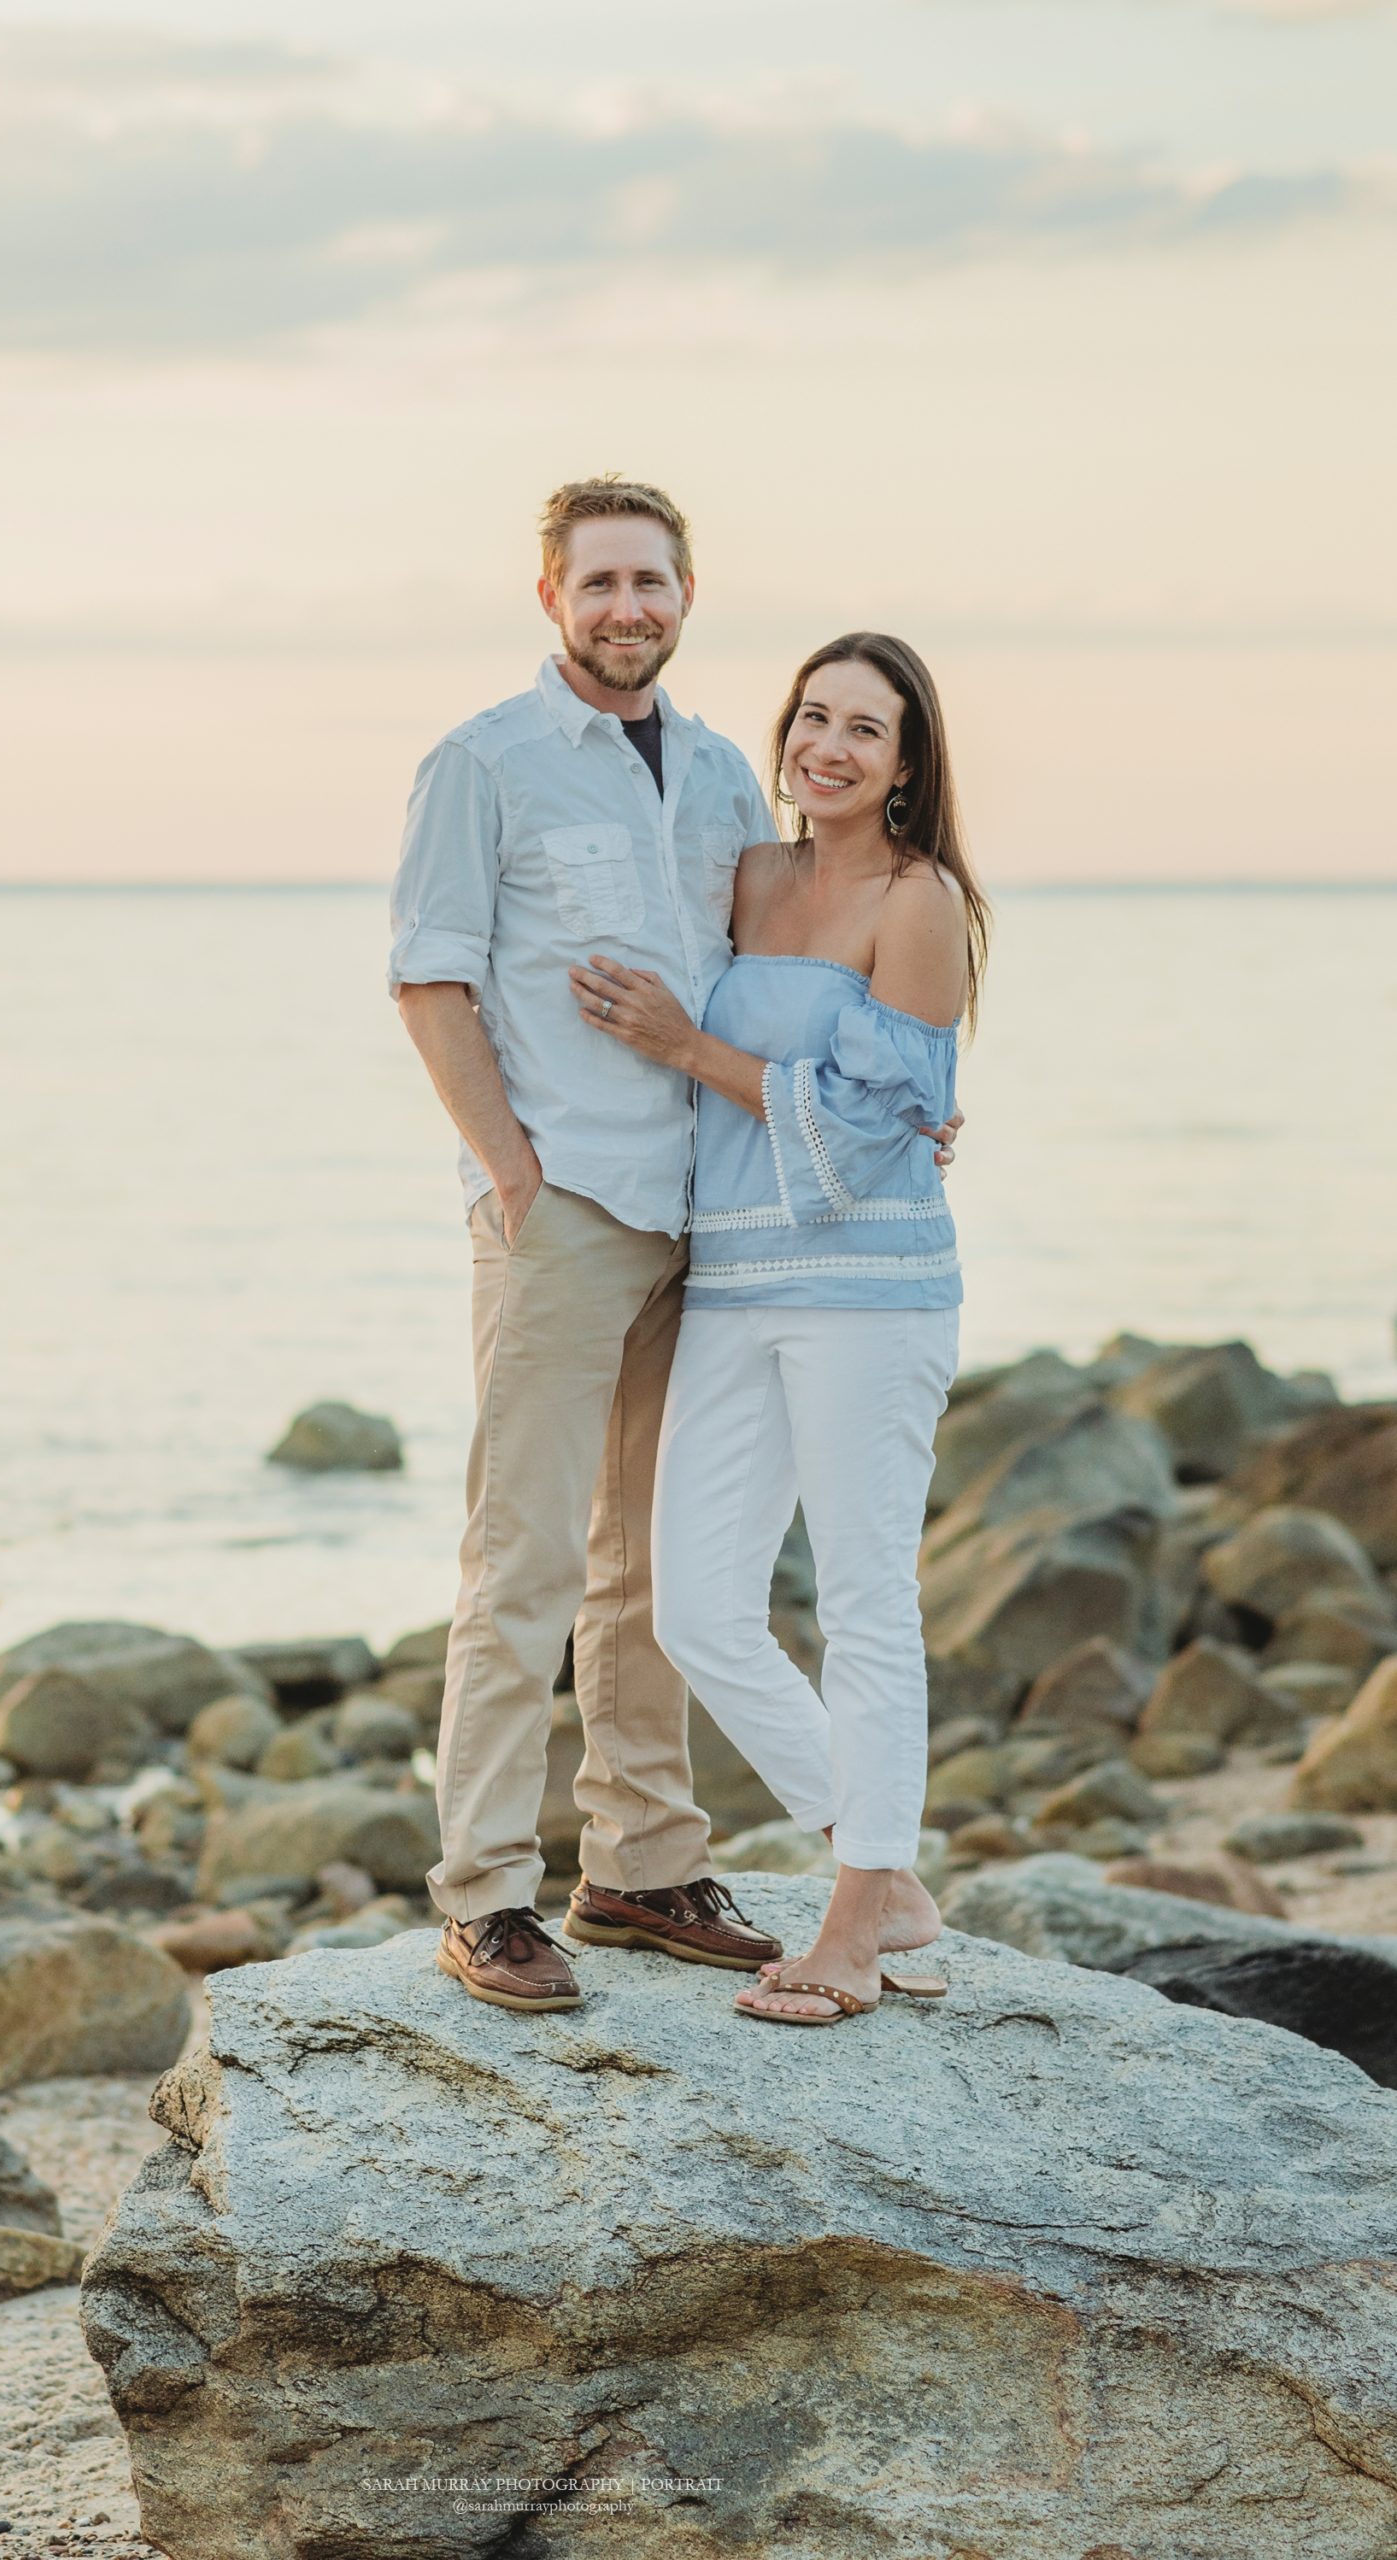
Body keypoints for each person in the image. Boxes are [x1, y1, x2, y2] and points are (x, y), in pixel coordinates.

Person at [389, 480, 964, 2014]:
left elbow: (800, 989)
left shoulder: (720, 776)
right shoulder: (483, 764)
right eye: (599, 581)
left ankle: (639, 1863)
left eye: (651, 578)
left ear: (687, 592)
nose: (626, 604)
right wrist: (507, 1170)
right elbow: (429, 979)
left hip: (706, 1220)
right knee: (522, 1557)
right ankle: (484, 1892)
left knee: (651, 1571)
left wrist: (900, 1104)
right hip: (566, 1203)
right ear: (552, 599)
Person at [568, 632, 988, 2027]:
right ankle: (880, 1861)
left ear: (907, 764)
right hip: (734, 1282)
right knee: (696, 1606)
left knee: (867, 1597)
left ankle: (856, 1920)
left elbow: (878, 1124)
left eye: (865, 730)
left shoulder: (917, 901)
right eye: (813, 716)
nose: (829, 746)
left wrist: (691, 1048)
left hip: (867, 1291)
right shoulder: (751, 873)